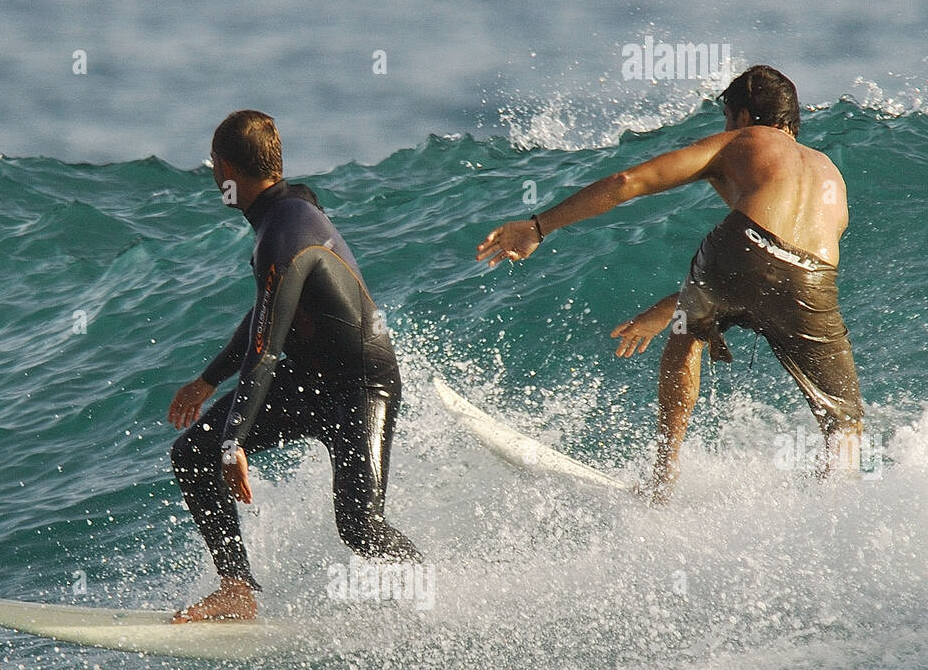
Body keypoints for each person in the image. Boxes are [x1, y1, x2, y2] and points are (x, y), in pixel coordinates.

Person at [476, 66, 863, 500]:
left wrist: (538, 226)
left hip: (744, 247)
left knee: (686, 339)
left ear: (740, 116)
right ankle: (836, 506)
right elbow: (781, 269)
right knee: (844, 418)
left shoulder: (744, 140)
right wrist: (676, 307)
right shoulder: (830, 173)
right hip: (813, 278)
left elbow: (629, 182)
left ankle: (663, 482)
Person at [169, 110, 419, 620]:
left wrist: (234, 441)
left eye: (214, 169)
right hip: (307, 382)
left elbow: (265, 351)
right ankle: (237, 591)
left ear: (226, 171)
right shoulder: (291, 208)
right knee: (193, 453)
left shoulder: (281, 237)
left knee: (359, 525)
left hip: (360, 385)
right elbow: (268, 311)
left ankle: (432, 590)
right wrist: (207, 381)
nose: (215, 180)